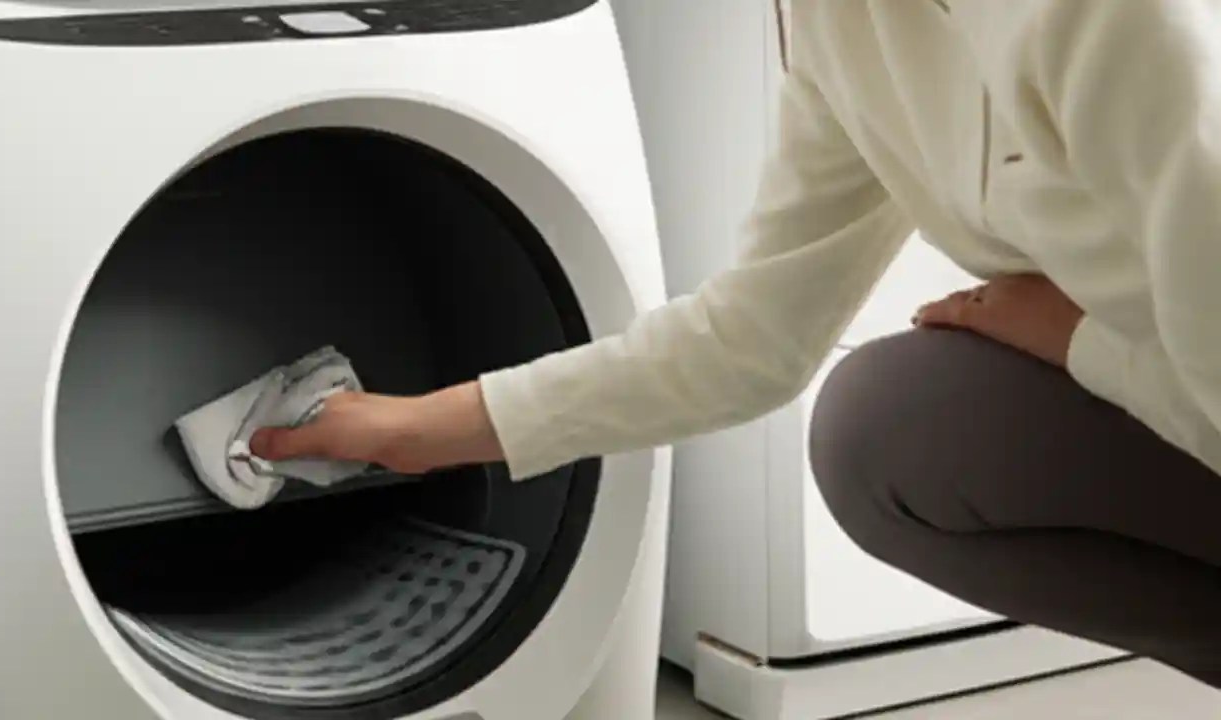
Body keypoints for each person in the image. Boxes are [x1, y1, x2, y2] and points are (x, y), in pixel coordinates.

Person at [252, 1, 1221, 687]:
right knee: (881, 430)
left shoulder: (1111, 15)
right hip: (1180, 379)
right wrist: (420, 429)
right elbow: (753, 335)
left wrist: (1076, 340)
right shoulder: (841, 25)